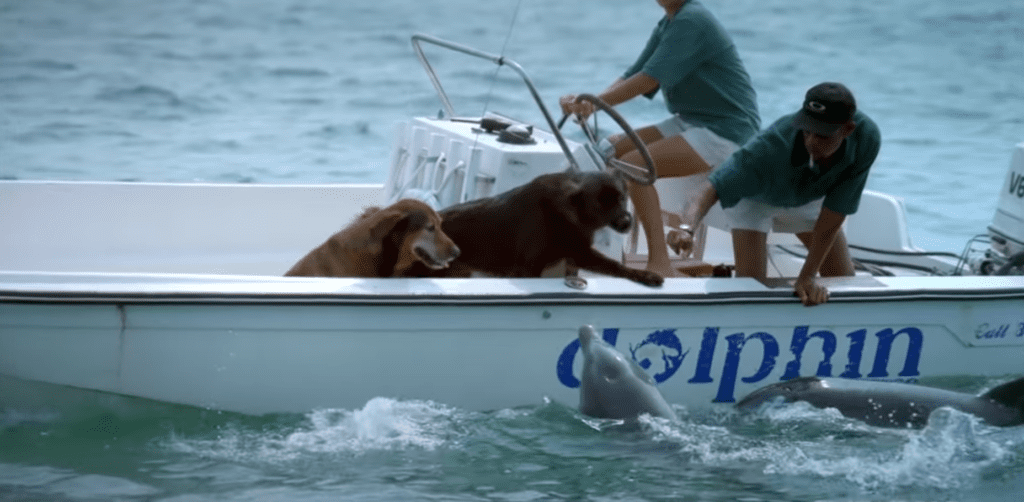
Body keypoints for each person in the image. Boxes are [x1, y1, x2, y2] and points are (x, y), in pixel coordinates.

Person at [559, 0, 759, 278]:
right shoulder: (669, 22)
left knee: (634, 166)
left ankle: (659, 262)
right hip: (691, 119)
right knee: (610, 149)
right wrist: (591, 101)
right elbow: (633, 73)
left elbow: (647, 81)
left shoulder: (693, 20)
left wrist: (594, 103)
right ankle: (594, 248)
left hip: (727, 130)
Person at [672, 82, 882, 306]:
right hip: (754, 199)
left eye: (822, 136)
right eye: (807, 130)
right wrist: (687, 229)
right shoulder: (767, 148)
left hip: (806, 196)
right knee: (751, 291)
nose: (811, 141)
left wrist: (808, 276)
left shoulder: (867, 138)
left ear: (848, 129)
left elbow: (833, 215)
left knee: (844, 282)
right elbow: (709, 188)